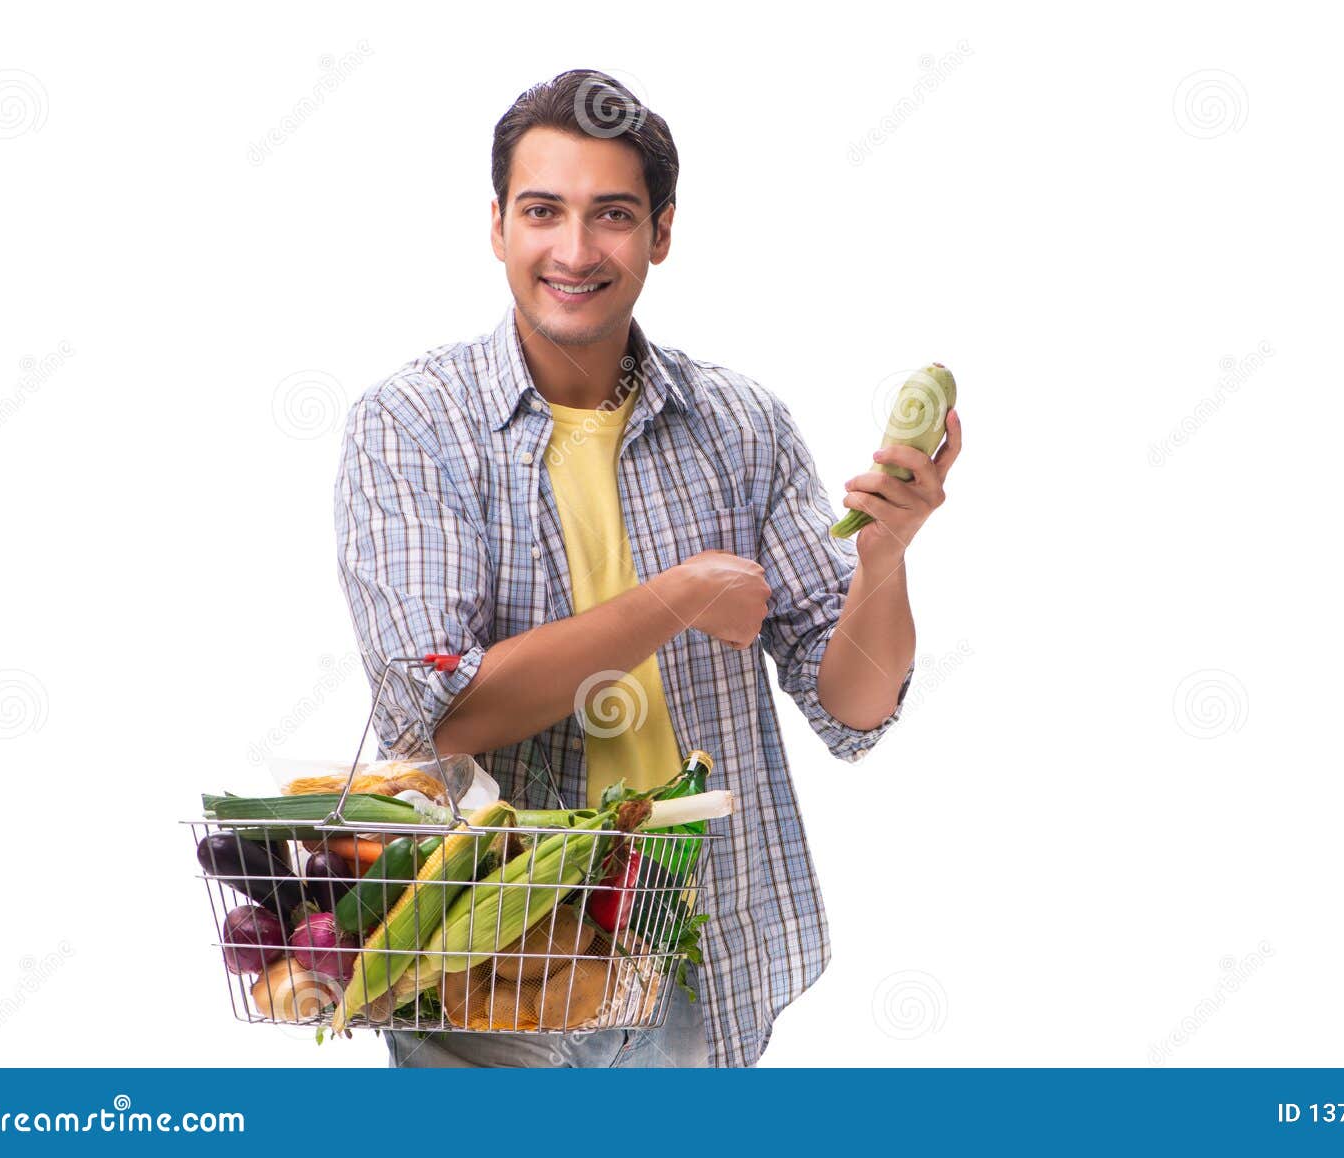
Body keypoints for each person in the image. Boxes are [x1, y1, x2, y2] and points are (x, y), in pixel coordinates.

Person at [333, 69, 962, 1068]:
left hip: (698, 963)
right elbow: (438, 707)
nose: (574, 251)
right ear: (497, 224)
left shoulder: (742, 426)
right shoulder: (413, 425)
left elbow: (852, 707)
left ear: (661, 233)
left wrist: (885, 555)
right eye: (543, 211)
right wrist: (673, 599)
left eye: (612, 216)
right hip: (491, 968)